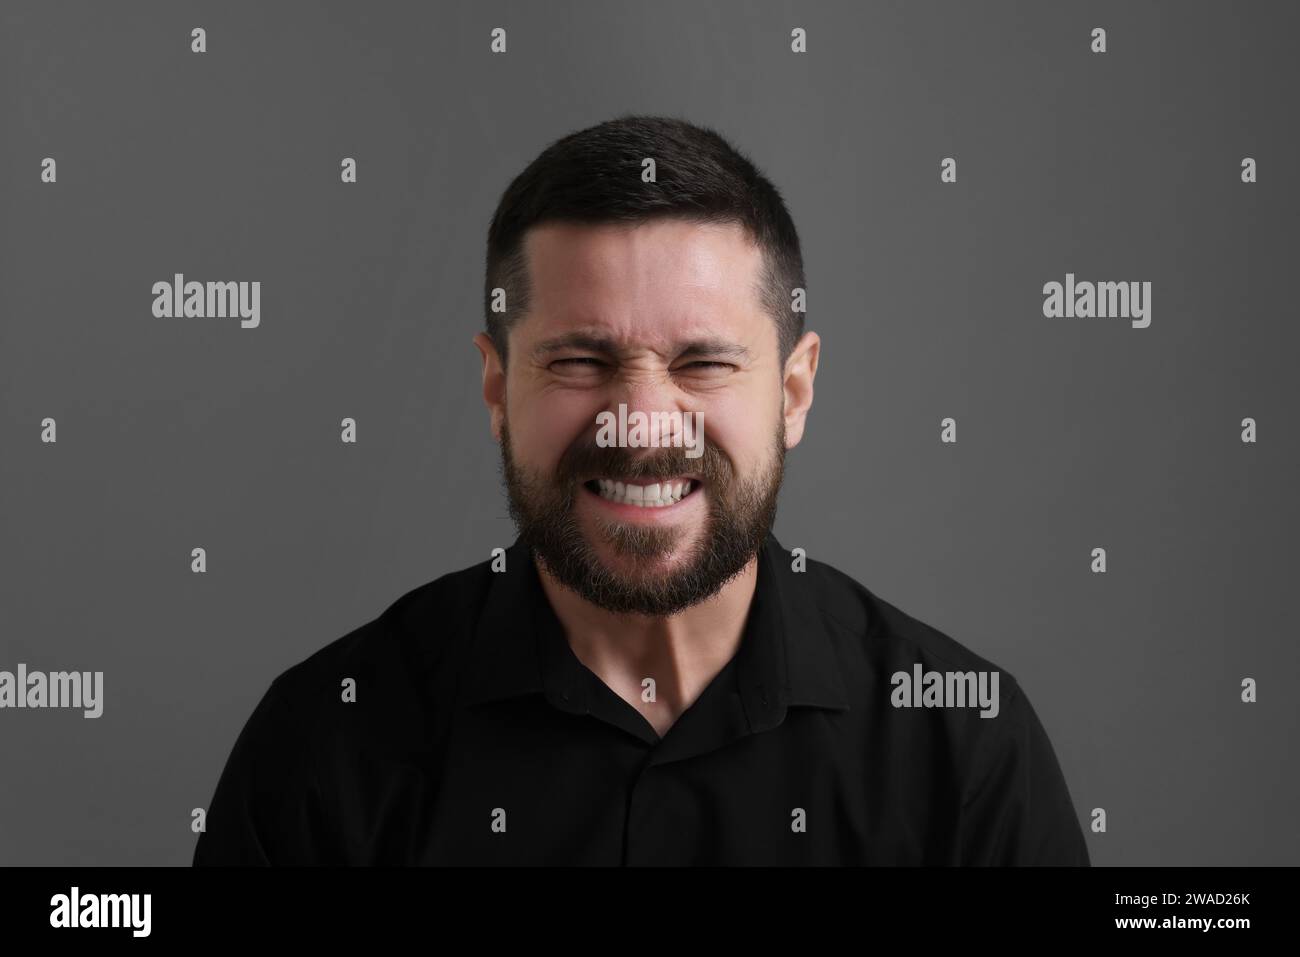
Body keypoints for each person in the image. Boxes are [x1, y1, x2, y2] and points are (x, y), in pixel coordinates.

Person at [193, 114, 1089, 866]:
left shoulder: (964, 748)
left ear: (792, 392)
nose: (643, 423)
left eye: (702, 361)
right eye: (581, 360)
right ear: (498, 387)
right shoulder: (322, 745)